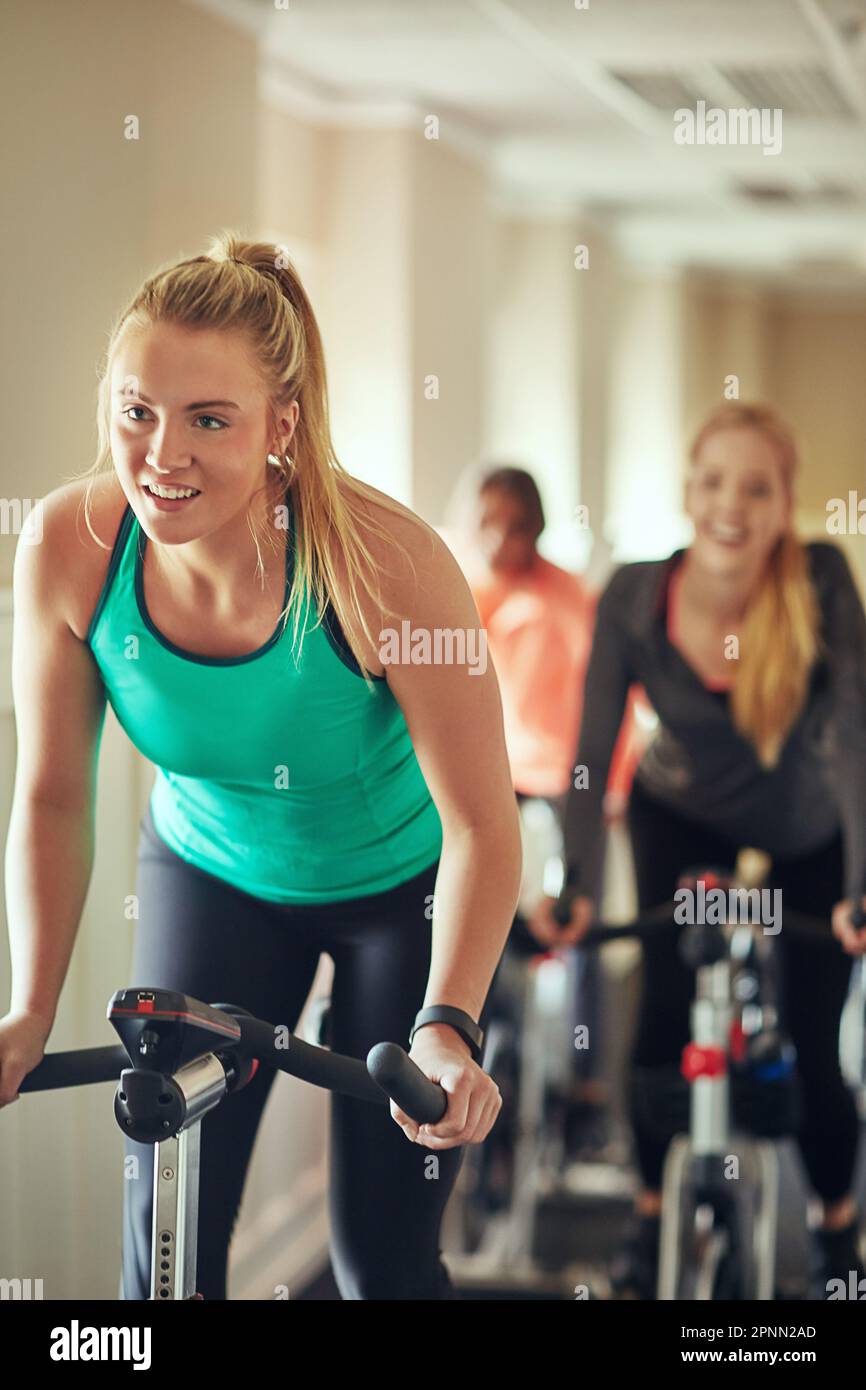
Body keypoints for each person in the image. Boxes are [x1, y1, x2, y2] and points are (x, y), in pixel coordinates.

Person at [0, 234, 523, 1301]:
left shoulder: (389, 566)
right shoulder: (68, 547)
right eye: (137, 409)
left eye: (209, 419)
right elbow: (53, 792)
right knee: (164, 1241)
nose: (161, 454)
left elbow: (480, 822)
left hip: (401, 897)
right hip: (215, 874)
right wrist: (28, 1008)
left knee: (377, 1258)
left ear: (281, 425)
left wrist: (448, 1026)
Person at [531, 402, 866, 1297]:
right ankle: (648, 1221)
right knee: (663, 1015)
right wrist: (578, 888)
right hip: (678, 817)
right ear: (688, 491)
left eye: (757, 487)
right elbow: (592, 754)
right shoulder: (636, 594)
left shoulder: (823, 583)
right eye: (714, 481)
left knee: (813, 1040)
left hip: (804, 831)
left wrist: (861, 888)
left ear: (785, 500)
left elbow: (854, 739)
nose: (732, 505)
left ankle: (838, 1237)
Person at [449, 465, 643, 1137]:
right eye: (489, 522)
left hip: (568, 778)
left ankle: (586, 1081)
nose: (503, 537)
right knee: (479, 891)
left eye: (518, 524)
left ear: (538, 528)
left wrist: (613, 786)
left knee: (577, 912)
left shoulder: (570, 602)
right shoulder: (458, 596)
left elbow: (613, 706)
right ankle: (480, 1029)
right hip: (490, 771)